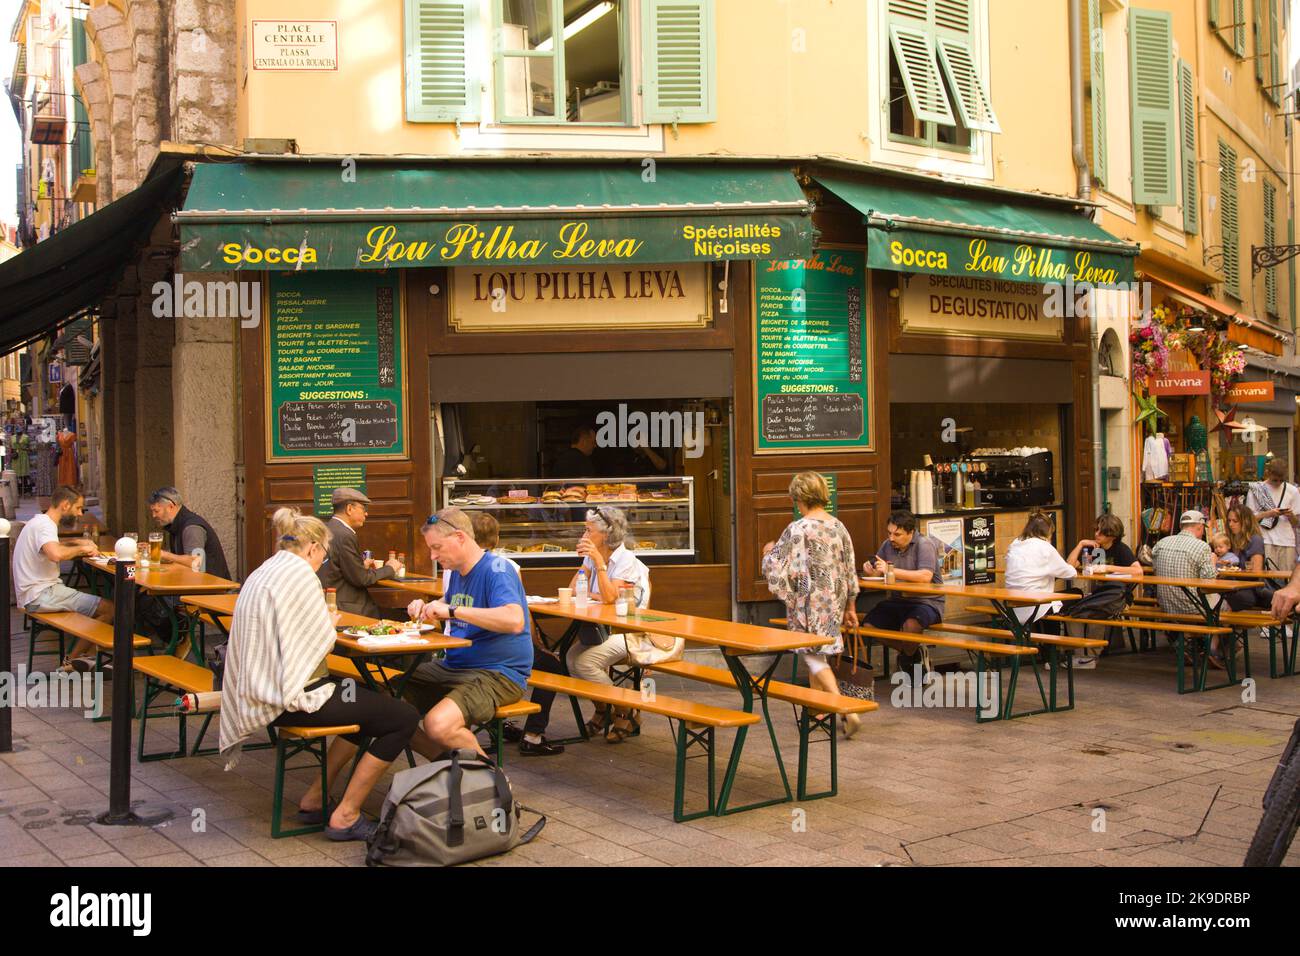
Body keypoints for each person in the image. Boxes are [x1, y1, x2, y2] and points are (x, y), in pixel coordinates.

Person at [219, 508, 419, 842]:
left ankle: (314, 797)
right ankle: (346, 815)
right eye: (324, 557)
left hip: (256, 690)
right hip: (290, 698)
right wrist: (331, 624)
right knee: (403, 717)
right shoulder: (300, 576)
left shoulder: (265, 569)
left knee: (364, 696)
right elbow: (321, 642)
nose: (322, 564)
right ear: (312, 547)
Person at [514, 506, 650, 753]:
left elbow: (611, 598)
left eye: (588, 530)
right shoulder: (592, 554)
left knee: (584, 662)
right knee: (569, 658)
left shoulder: (626, 561)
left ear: (606, 534)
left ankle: (624, 711)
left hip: (630, 633)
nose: (584, 535)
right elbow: (574, 588)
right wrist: (589, 564)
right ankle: (607, 710)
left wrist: (598, 564)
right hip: (602, 628)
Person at [404, 508, 533, 759]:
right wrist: (427, 606)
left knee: (437, 724)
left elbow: (515, 620)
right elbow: (455, 602)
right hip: (455, 666)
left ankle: (493, 788)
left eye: (437, 547)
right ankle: (448, 764)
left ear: (460, 537)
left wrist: (451, 610)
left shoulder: (497, 568)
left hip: (499, 673)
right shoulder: (457, 571)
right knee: (385, 707)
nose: (432, 555)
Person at [763, 472, 862, 738]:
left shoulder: (798, 528)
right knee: (819, 653)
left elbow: (776, 564)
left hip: (808, 600)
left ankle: (844, 707)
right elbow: (850, 567)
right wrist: (851, 606)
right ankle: (816, 708)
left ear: (798, 499)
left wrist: (767, 552)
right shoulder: (839, 527)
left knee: (811, 654)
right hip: (835, 599)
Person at [11, 485, 114, 672]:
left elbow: (50, 546)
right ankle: (71, 662)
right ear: (66, 505)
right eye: (78, 508)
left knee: (98, 605)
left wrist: (76, 542)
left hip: (33, 595)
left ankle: (83, 658)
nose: (80, 514)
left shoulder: (39, 522)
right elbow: (55, 554)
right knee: (109, 608)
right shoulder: (45, 525)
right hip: (41, 595)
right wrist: (82, 549)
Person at [860, 510, 943, 680]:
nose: (891, 538)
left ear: (911, 533)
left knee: (911, 626)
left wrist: (891, 570)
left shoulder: (924, 544)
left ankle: (908, 656)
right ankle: (912, 652)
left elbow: (925, 576)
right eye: (889, 533)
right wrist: (871, 572)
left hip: (927, 602)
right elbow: (880, 572)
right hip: (897, 600)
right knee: (869, 626)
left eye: (897, 534)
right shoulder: (887, 545)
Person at [1060, 513, 1143, 667]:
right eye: (1096, 530)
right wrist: (1080, 544)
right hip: (1095, 594)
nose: (1096, 534)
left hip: (1116, 598)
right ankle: (1079, 655)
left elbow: (1138, 572)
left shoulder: (1121, 549)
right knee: (1071, 613)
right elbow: (1069, 567)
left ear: (1112, 535)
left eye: (1102, 532)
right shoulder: (1092, 548)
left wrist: (1107, 567)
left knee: (1095, 612)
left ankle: (1091, 655)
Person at [1151, 509, 1225, 665]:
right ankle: (1213, 649)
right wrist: (1213, 560)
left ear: (1181, 526)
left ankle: (1185, 643)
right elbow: (1209, 580)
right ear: (1199, 527)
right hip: (1192, 607)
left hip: (1165, 605)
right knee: (1225, 606)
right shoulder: (1202, 547)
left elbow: (1155, 569)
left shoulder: (1160, 543)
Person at [317, 487, 402, 618]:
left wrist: (361, 566)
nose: (366, 514)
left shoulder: (328, 528)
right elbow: (361, 579)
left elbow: (340, 568)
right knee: (401, 618)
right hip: (346, 607)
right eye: (364, 509)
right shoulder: (344, 535)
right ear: (349, 509)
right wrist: (390, 568)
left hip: (330, 601)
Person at [1005, 512, 1077, 631]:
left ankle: (1045, 643)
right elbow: (1071, 574)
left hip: (1013, 607)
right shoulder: (1045, 548)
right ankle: (1053, 645)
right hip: (1034, 606)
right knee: (1076, 594)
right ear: (1048, 531)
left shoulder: (1014, 545)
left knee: (1052, 601)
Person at [146, 486, 232, 580]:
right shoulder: (176, 524)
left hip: (212, 589)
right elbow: (180, 558)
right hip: (196, 583)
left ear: (170, 506)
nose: (153, 516)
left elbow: (195, 562)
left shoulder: (192, 528)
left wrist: (164, 554)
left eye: (156, 511)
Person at [1248, 458, 1299, 570]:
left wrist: (1291, 516)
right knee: (1269, 580)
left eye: (1282, 480)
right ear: (1268, 473)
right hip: (1265, 540)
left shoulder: (1292, 491)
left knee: (1287, 578)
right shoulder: (1256, 489)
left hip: (1287, 541)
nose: (1278, 483)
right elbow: (1249, 518)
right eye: (1275, 480)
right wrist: (1268, 514)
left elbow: (1297, 523)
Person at [1221, 503, 1270, 613]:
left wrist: (1235, 571)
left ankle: (1222, 624)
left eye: (1235, 521)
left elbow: (1256, 572)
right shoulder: (1230, 540)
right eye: (1229, 521)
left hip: (1250, 588)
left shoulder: (1255, 540)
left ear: (1246, 522)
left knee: (1238, 599)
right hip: (1232, 586)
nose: (1231, 524)